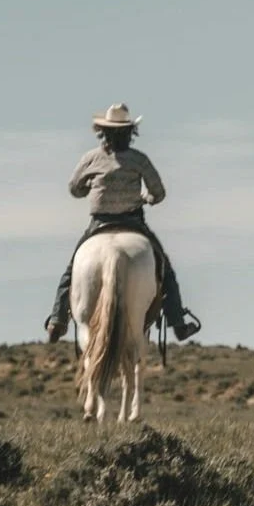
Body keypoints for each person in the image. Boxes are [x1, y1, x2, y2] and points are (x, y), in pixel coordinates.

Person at [46, 104, 200, 342]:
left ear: (102, 132)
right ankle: (178, 323)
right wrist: (147, 198)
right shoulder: (139, 160)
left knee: (70, 272)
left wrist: (89, 186)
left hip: (99, 223)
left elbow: (74, 189)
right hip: (132, 221)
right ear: (130, 133)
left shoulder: (91, 158)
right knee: (166, 271)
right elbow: (158, 192)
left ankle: (57, 320)